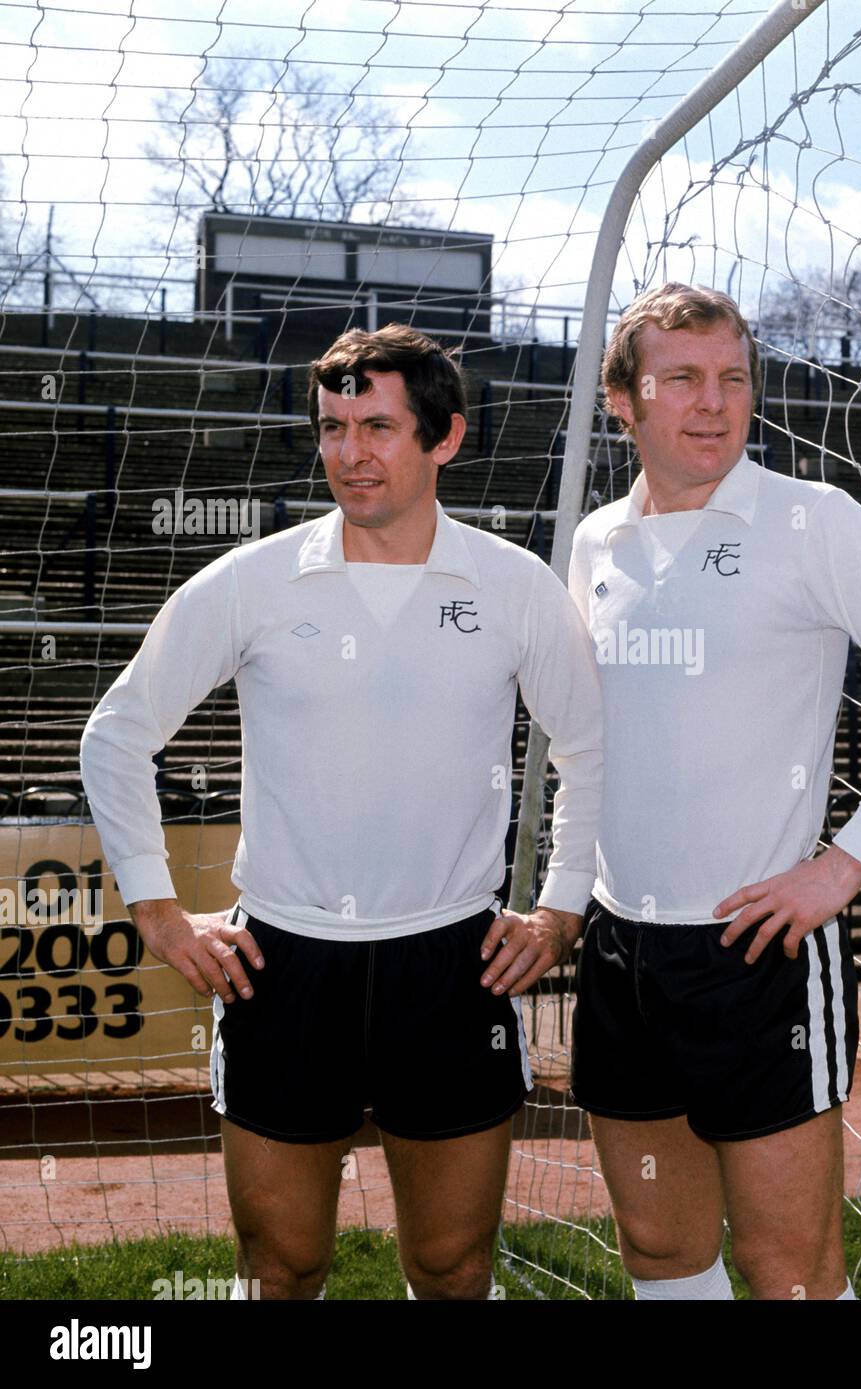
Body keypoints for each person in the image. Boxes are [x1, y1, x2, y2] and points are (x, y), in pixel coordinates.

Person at [79, 324, 602, 1300]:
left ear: (443, 437)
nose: (350, 452)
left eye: (378, 427)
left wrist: (562, 905)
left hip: (454, 966)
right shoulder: (254, 581)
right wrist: (154, 909)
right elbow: (116, 735)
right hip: (284, 966)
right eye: (333, 427)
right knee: (282, 1265)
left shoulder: (514, 588)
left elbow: (589, 751)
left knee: (451, 1266)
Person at [566, 283, 861, 1301]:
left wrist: (844, 865)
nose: (713, 402)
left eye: (732, 378)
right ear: (624, 400)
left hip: (756, 952)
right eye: (681, 379)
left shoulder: (812, 521)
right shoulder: (594, 544)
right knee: (663, 1253)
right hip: (621, 944)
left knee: (787, 1269)